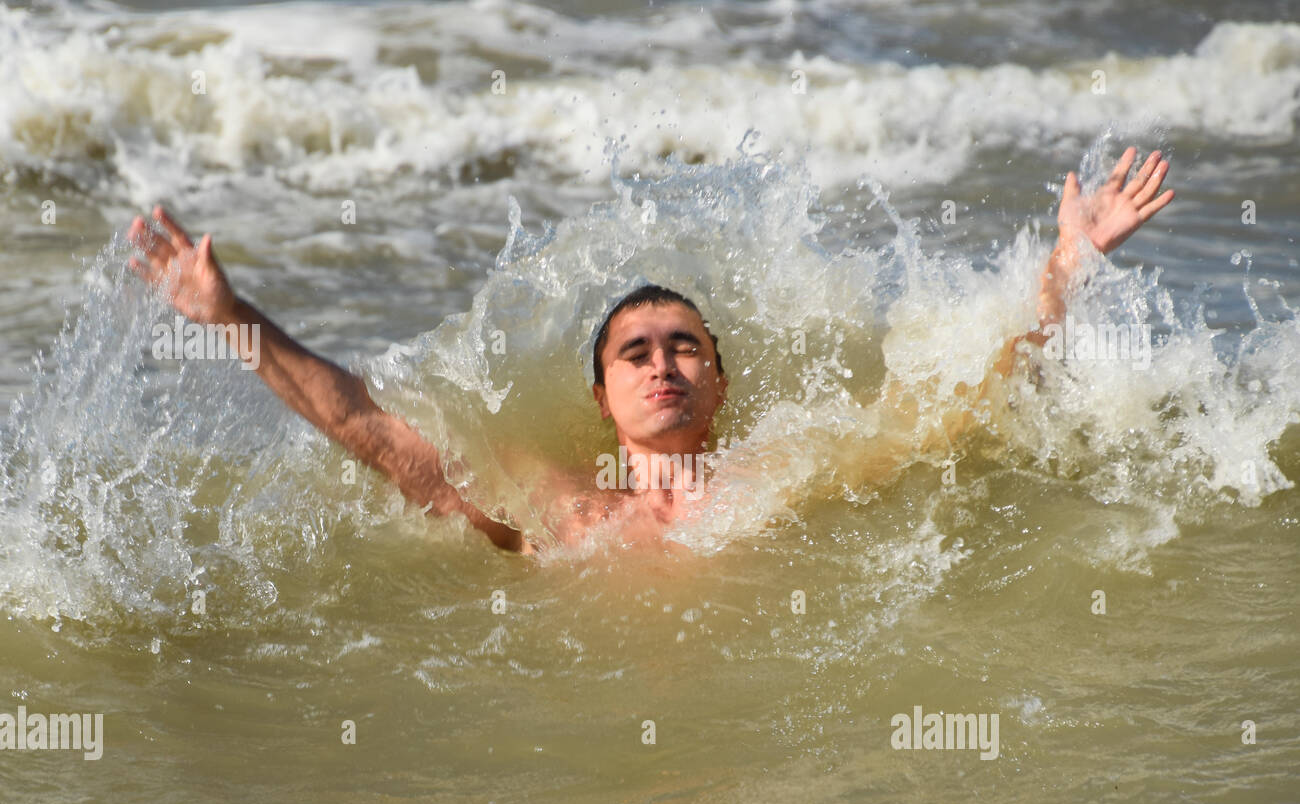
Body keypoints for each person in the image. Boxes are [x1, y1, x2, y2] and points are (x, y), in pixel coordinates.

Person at [127, 146, 1173, 556]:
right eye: (635, 351)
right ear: (600, 393)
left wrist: (1063, 273)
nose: (662, 361)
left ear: (718, 378)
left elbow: (976, 410)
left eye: (683, 346)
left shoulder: (784, 476)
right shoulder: (558, 507)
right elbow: (368, 430)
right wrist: (230, 317)